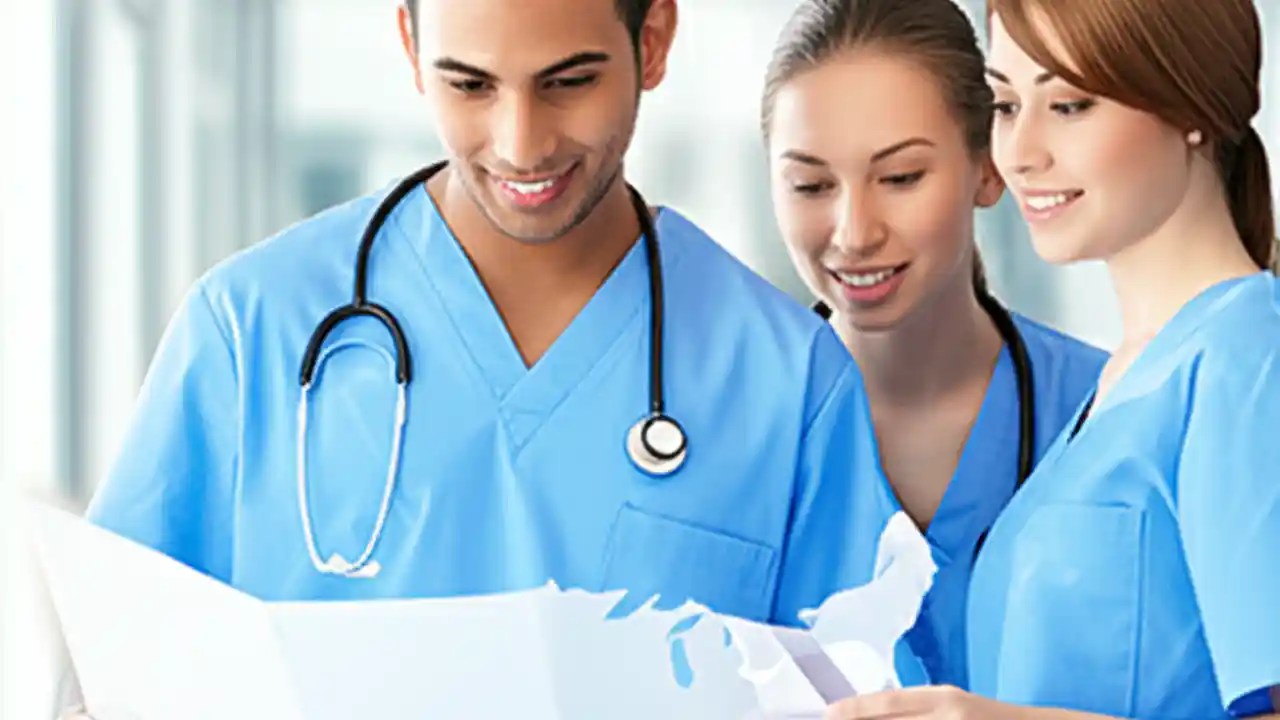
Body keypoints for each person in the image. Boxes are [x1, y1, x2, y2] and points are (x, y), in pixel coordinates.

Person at [75, 0, 898, 695]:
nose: (521, 143)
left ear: (652, 41)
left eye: (569, 82)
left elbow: (862, 696)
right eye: (469, 84)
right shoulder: (250, 331)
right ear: (410, 45)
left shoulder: (785, 381)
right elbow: (113, 674)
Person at [825, 0, 1280, 718]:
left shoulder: (1247, 361)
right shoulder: (1123, 380)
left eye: (1068, 105)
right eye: (1005, 106)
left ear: (1193, 104)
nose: (1022, 153)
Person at [760, 0, 1104, 690]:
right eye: (811, 185)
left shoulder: (1109, 414)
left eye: (900, 178)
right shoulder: (730, 433)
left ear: (987, 168)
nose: (854, 232)